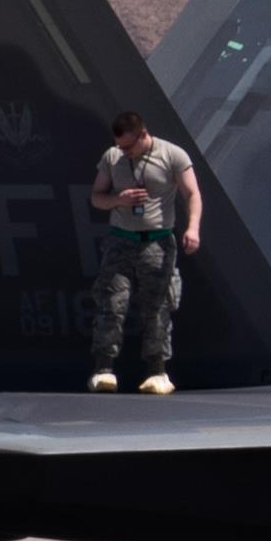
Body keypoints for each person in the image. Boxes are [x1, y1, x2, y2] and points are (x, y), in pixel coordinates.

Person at [84, 110, 199, 393]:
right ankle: (103, 368)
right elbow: (96, 197)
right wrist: (116, 200)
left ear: (143, 134)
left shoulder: (172, 155)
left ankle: (157, 371)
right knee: (112, 303)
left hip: (157, 241)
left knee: (158, 306)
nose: (124, 151)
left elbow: (192, 193)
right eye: (120, 146)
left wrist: (193, 227)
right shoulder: (113, 158)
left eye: (129, 146)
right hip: (121, 240)